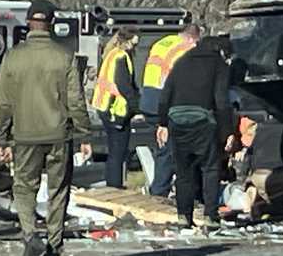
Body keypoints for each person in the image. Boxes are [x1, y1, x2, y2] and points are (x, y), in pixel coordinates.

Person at [0, 0, 93, 255]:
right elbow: (75, 99)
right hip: (58, 135)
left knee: (24, 187)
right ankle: (54, 242)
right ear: (51, 24)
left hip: (25, 135)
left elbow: (4, 102)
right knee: (58, 189)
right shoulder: (65, 57)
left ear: (28, 24)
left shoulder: (12, 57)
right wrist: (84, 133)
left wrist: (3, 138)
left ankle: (30, 236)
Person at [157, 35, 235, 228]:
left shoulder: (181, 61)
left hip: (177, 122)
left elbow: (166, 94)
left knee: (183, 171)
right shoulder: (218, 65)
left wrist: (163, 123)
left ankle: (184, 215)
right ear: (221, 51)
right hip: (203, 121)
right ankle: (210, 215)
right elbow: (221, 101)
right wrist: (227, 131)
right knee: (210, 168)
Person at [140, 24, 201, 196]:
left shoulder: (163, 42)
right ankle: (160, 192)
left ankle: (161, 189)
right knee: (171, 150)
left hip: (148, 99)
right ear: (191, 38)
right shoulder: (184, 50)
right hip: (164, 101)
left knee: (164, 149)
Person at [91, 27, 140, 188]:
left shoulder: (110, 54)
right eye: (134, 43)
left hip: (105, 107)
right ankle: (115, 187)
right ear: (126, 42)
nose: (135, 48)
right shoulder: (121, 57)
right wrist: (136, 107)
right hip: (116, 110)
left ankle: (113, 184)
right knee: (118, 153)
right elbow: (124, 86)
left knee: (114, 152)